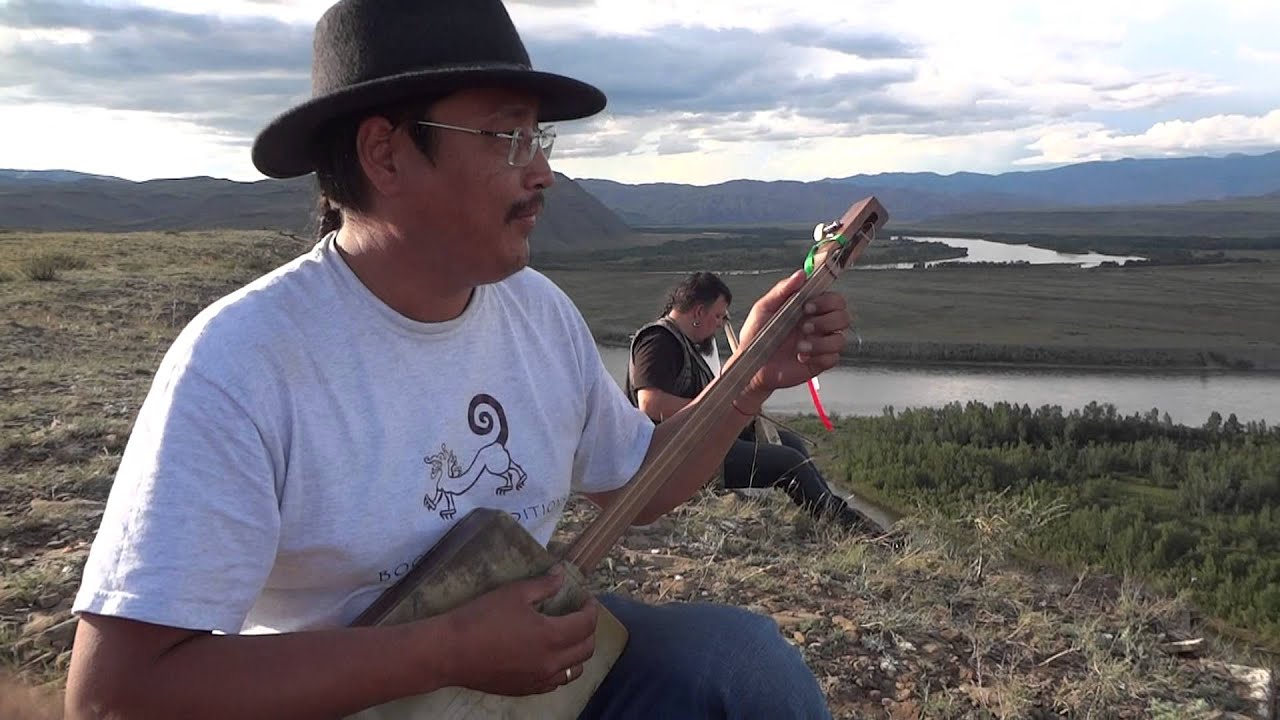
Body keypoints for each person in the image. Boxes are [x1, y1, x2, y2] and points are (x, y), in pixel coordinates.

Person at [62, 1, 854, 718]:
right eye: (507, 137)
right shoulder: (242, 361)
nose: (541, 169)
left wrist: (747, 379)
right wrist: (445, 651)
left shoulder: (536, 312)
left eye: (537, 137)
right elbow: (115, 698)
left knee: (744, 670)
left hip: (522, 692)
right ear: (386, 154)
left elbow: (637, 486)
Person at [626, 272, 881, 533]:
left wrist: (738, 411)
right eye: (718, 316)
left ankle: (835, 510)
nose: (719, 324)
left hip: (697, 441)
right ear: (699, 312)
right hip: (674, 456)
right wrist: (722, 409)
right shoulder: (659, 341)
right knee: (788, 462)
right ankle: (844, 527)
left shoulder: (683, 343)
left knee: (789, 443)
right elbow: (650, 404)